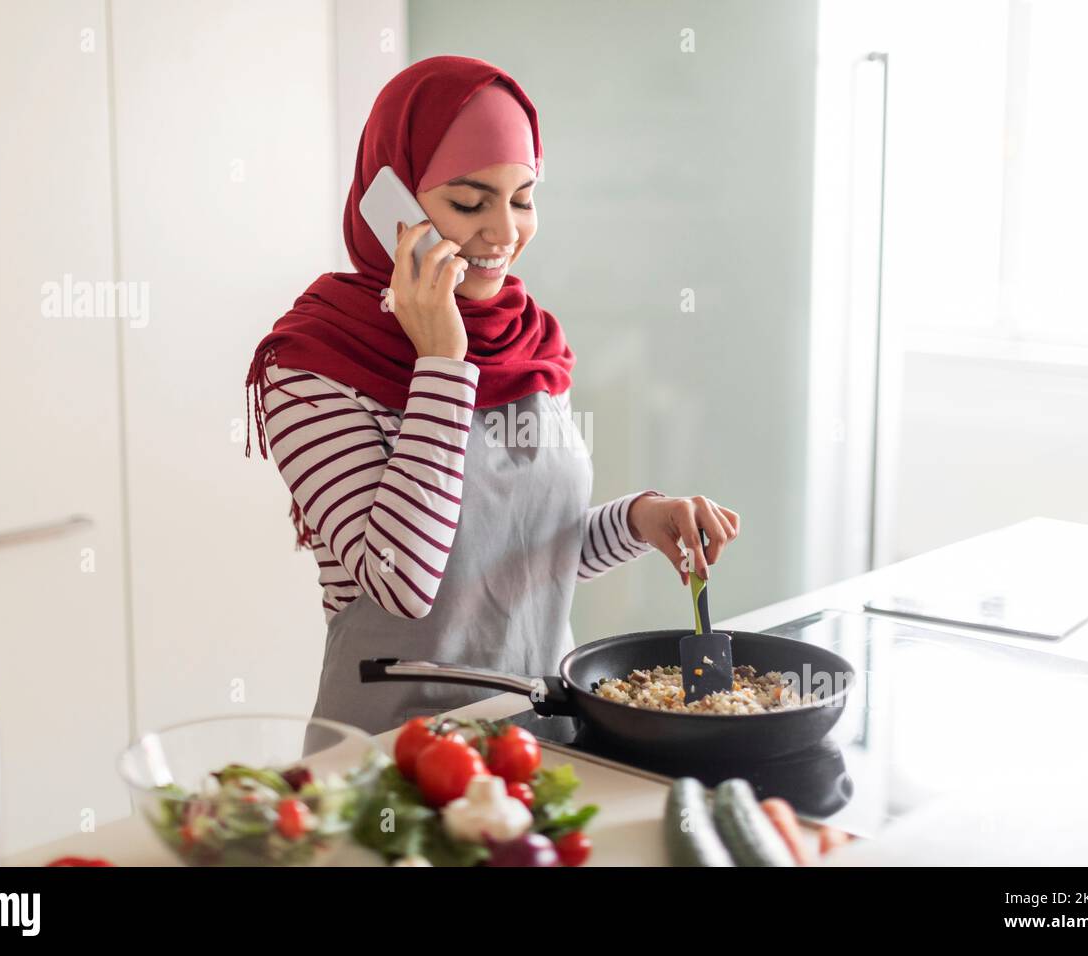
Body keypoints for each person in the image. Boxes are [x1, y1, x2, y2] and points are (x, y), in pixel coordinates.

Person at [246, 56, 740, 734]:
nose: (504, 232)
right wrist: (442, 360)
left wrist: (638, 520)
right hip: (392, 763)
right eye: (469, 202)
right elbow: (404, 582)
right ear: (389, 201)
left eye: (523, 198)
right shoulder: (313, 364)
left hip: (546, 741)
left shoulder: (526, 341)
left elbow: (527, 553)